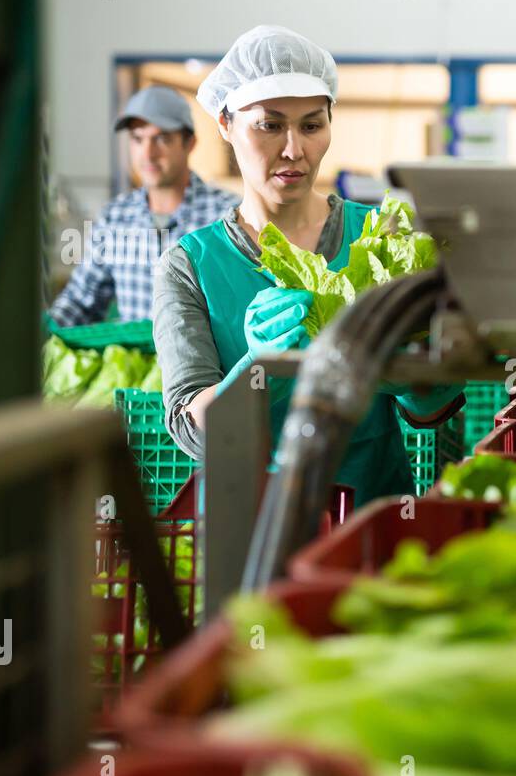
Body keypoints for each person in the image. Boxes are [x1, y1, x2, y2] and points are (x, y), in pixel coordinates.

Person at [151, 25, 462, 507]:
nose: (294, 149)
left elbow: (433, 411)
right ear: (225, 125)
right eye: (269, 125)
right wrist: (258, 369)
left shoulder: (383, 238)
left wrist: (412, 375)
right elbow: (193, 433)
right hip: (248, 524)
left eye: (312, 125)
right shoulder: (190, 264)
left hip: (370, 515)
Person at [47, 86, 237, 326]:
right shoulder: (114, 217)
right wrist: (45, 337)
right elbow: (80, 301)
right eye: (138, 139)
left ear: (189, 143)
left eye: (161, 138)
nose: (148, 154)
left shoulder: (227, 216)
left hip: (205, 363)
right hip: (133, 363)